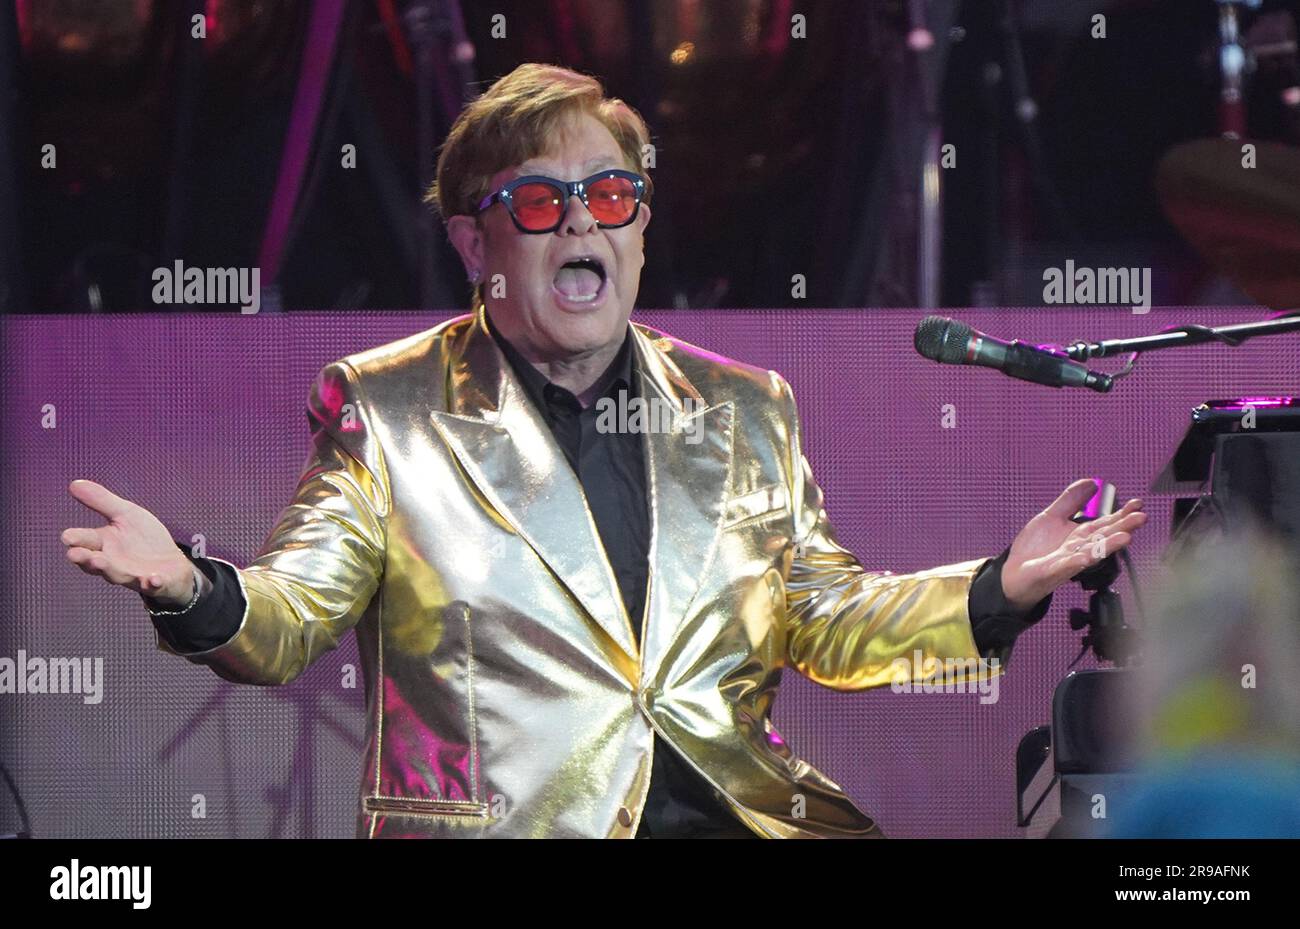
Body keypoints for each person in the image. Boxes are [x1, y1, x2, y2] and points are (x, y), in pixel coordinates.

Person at [61, 63, 1148, 838]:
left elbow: (821, 617)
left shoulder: (742, 408)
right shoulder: (384, 409)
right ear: (470, 242)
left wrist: (997, 586)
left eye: (610, 196)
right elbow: (289, 618)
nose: (582, 224)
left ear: (637, 229)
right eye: (540, 202)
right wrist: (191, 588)